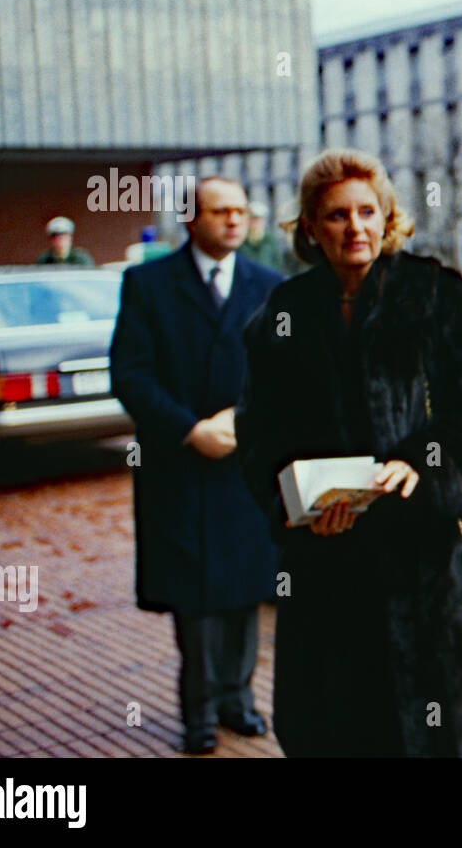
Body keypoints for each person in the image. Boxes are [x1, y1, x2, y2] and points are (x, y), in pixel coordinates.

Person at [235, 148, 462, 757]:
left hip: (429, 571)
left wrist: (426, 461)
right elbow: (260, 431)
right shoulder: (285, 314)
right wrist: (293, 503)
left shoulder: (436, 294)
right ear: (311, 228)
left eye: (368, 211)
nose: (355, 228)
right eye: (337, 215)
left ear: (389, 218)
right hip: (328, 573)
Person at [110, 176, 284, 755]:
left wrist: (244, 422)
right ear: (191, 219)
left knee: (243, 592)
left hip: (244, 467)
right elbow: (130, 374)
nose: (234, 221)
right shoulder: (148, 284)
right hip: (178, 468)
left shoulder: (268, 286)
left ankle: (240, 701)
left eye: (240, 211)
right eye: (220, 212)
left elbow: (287, 373)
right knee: (196, 600)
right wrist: (189, 429)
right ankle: (199, 714)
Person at [239, 202, 285, 273]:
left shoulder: (269, 238)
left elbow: (275, 261)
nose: (256, 222)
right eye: (253, 218)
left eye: (259, 219)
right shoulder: (240, 238)